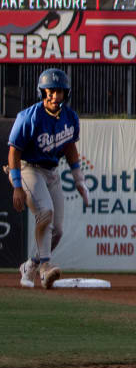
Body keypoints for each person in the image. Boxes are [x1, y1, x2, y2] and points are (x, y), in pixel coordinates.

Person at [9, 68, 89, 289]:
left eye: (59, 92)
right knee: (45, 212)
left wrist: (79, 179)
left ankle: (30, 265)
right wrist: (17, 185)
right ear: (42, 92)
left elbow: (70, 148)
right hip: (28, 168)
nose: (54, 96)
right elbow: (14, 152)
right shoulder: (29, 117)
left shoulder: (70, 117)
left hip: (51, 172)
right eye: (50, 91)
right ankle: (45, 268)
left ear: (66, 93)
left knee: (58, 230)